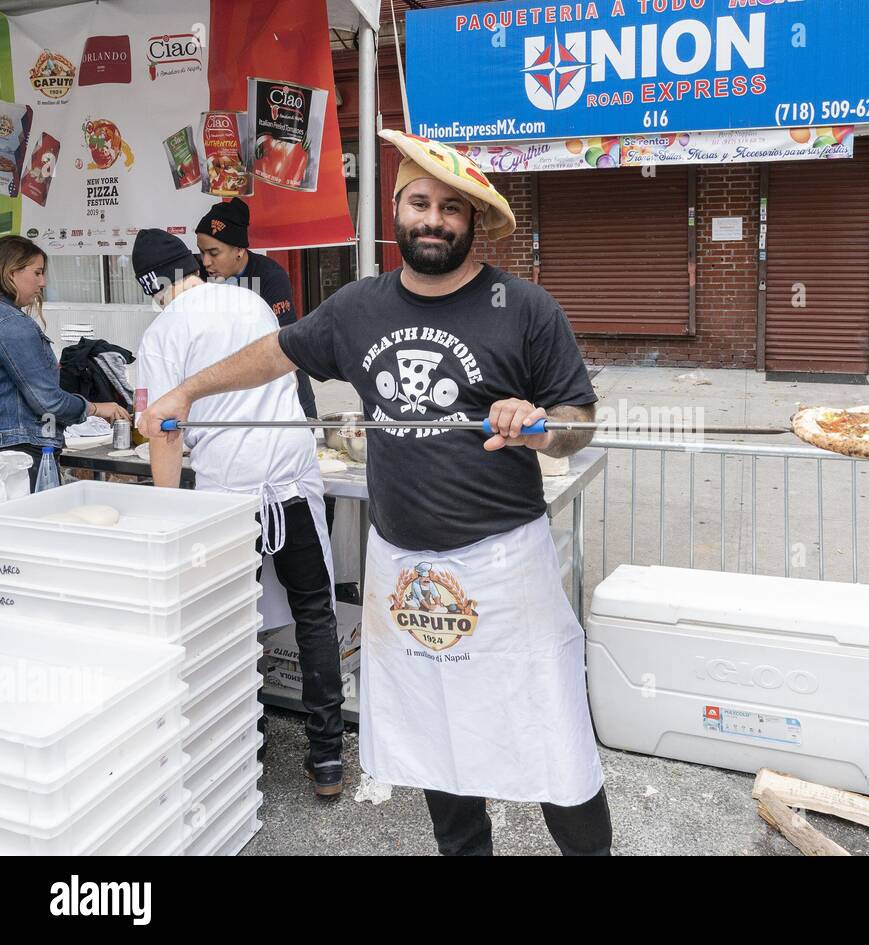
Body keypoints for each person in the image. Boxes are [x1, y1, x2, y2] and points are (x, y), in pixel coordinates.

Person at [140, 131, 611, 856]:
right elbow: (277, 351)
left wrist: (542, 428)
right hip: (407, 567)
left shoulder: (523, 307)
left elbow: (579, 420)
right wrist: (188, 388)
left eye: (451, 208)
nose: (433, 218)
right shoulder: (360, 306)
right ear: (395, 209)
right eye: (419, 202)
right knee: (437, 738)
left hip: (504, 565)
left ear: (473, 221)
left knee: (551, 734)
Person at [130, 228, 345, 797]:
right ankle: (326, 758)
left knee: (231, 625)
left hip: (228, 494)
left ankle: (247, 747)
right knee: (315, 616)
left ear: (152, 286)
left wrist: (167, 516)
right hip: (293, 477)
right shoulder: (249, 299)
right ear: (190, 266)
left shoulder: (161, 331)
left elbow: (164, 431)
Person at [0, 235, 128, 489]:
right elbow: (46, 401)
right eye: (37, 273)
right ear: (11, 272)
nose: (43, 283)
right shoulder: (13, 324)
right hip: (23, 453)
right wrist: (94, 408)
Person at [196, 198, 318, 419]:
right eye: (201, 252)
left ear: (239, 250)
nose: (205, 262)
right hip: (229, 394)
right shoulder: (199, 277)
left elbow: (286, 340)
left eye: (213, 253)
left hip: (282, 390)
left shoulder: (270, 276)